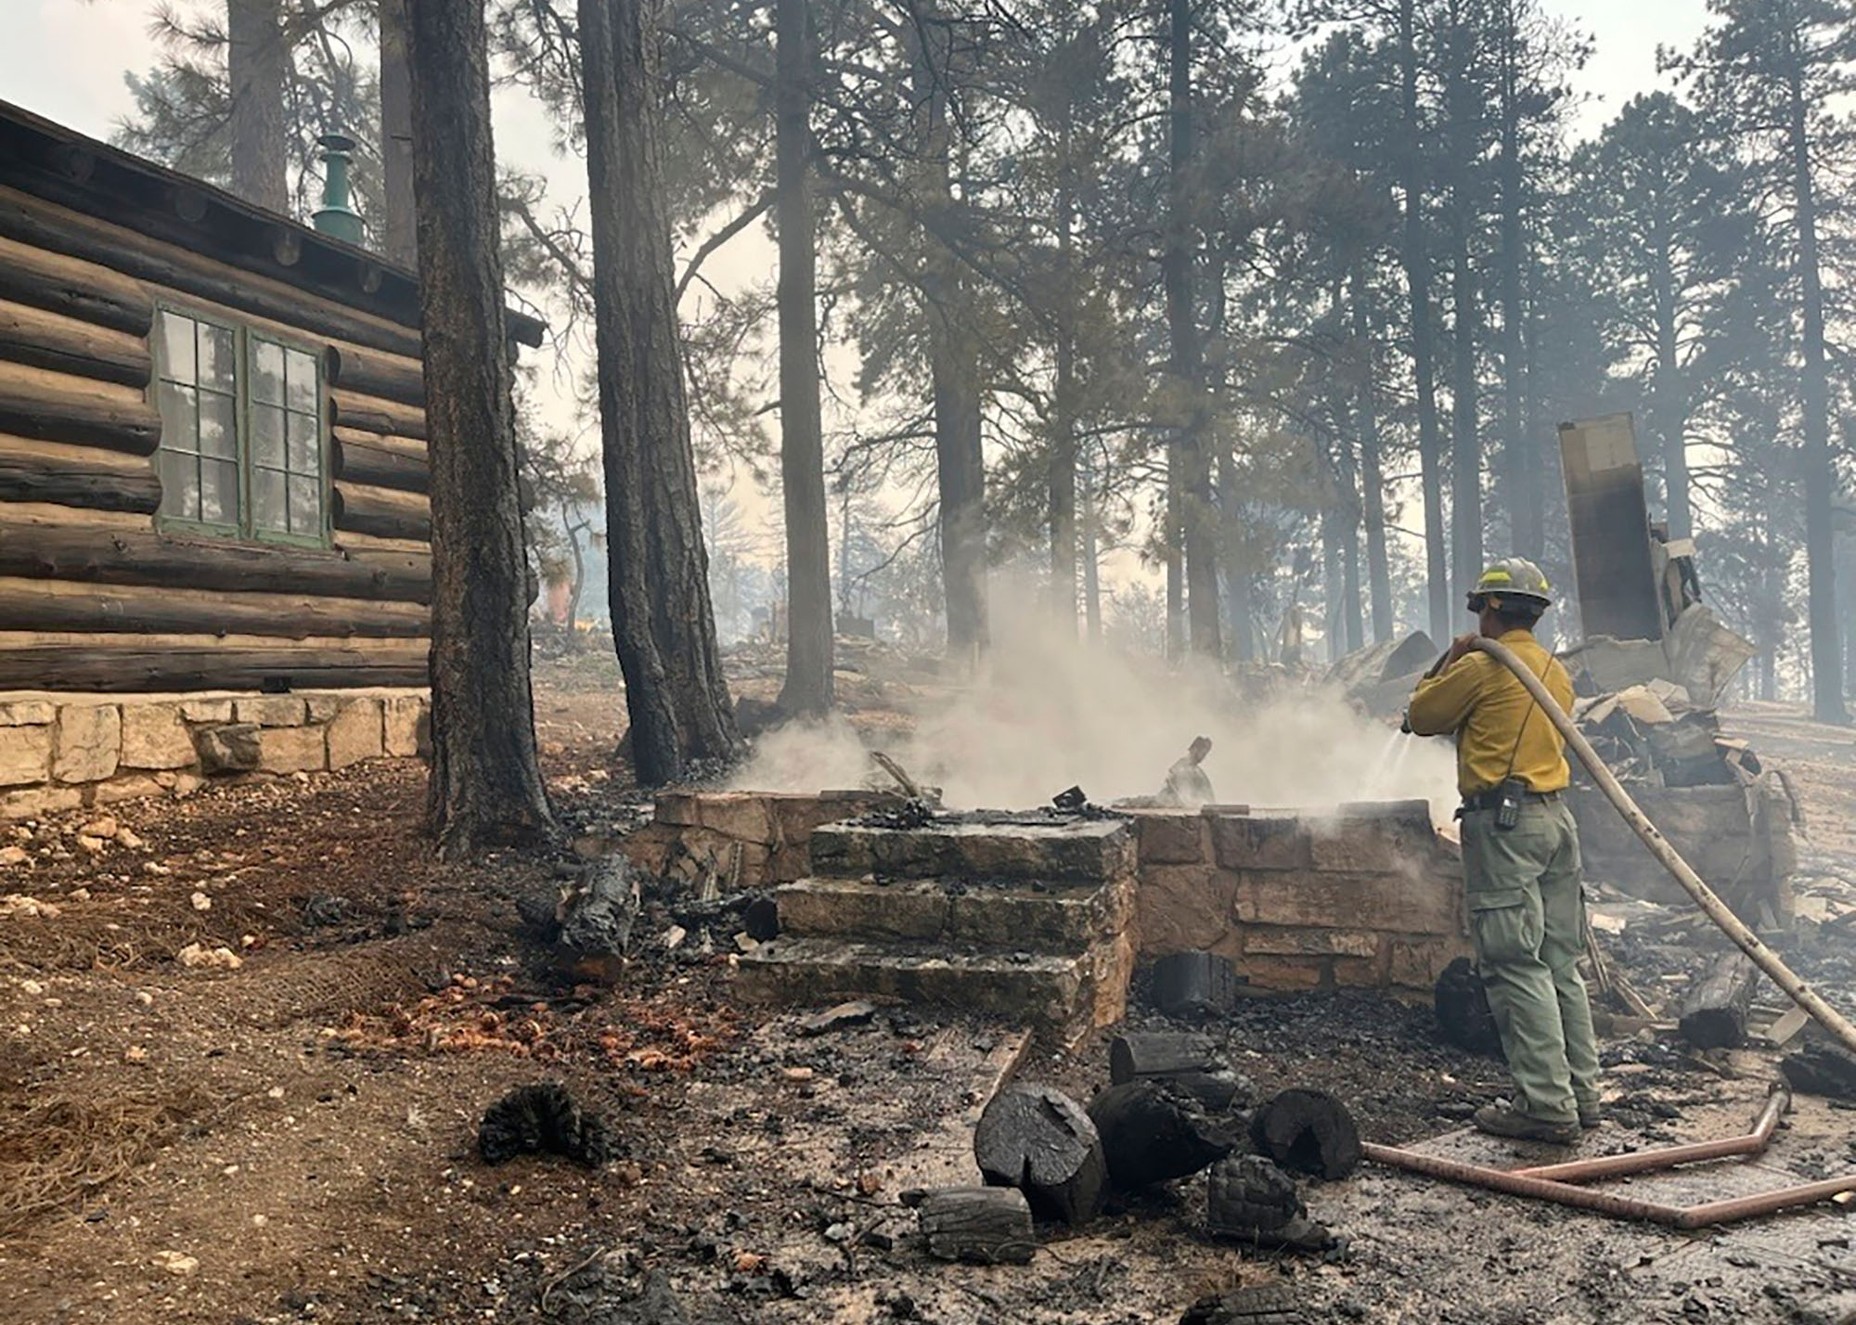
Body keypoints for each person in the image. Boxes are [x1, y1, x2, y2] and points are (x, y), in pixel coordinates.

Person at [1404, 558, 1600, 1145]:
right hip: (1555, 822)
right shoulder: (1553, 670)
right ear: (1535, 612)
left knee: (1515, 964)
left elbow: (1420, 715)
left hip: (1505, 829)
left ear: (1488, 608)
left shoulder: (1485, 667)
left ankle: (1544, 1106)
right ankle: (1581, 1096)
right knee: (1559, 962)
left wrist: (1453, 657)